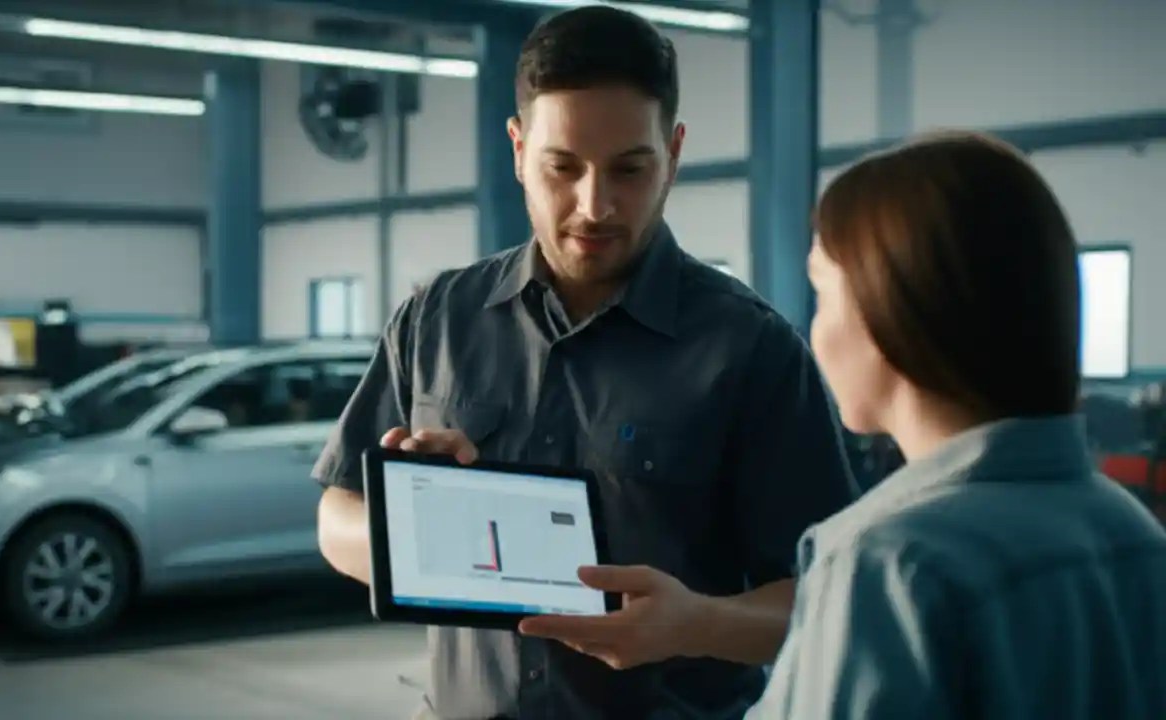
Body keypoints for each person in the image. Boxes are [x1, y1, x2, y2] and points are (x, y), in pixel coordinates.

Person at [312, 5, 858, 719]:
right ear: (516, 148)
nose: (594, 206)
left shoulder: (750, 349)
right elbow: (336, 515)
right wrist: (420, 526)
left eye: (630, 169)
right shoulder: (439, 317)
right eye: (561, 168)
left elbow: (828, 600)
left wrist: (695, 622)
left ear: (675, 153)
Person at [519, 131, 1166, 719]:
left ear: (892, 316)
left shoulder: (887, 561)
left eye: (824, 292)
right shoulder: (1131, 532)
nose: (815, 329)